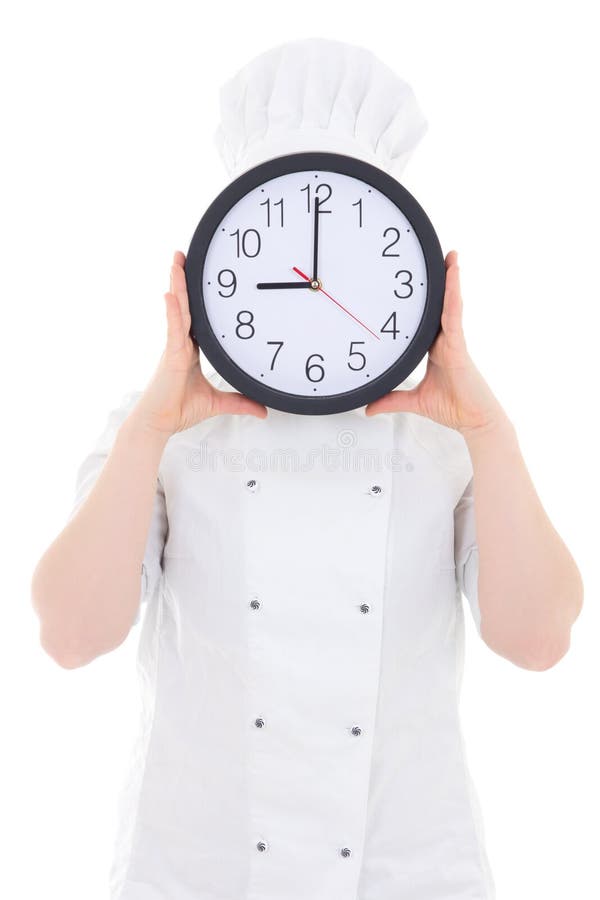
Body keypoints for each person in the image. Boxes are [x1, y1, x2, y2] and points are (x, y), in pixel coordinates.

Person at [31, 38, 583, 900]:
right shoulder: (157, 437)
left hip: (410, 870)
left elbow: (540, 639)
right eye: (273, 259)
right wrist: (150, 422)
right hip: (195, 870)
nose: (322, 290)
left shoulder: (452, 444)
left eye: (356, 270)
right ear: (210, 278)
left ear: (419, 283)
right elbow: (68, 635)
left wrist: (490, 428)